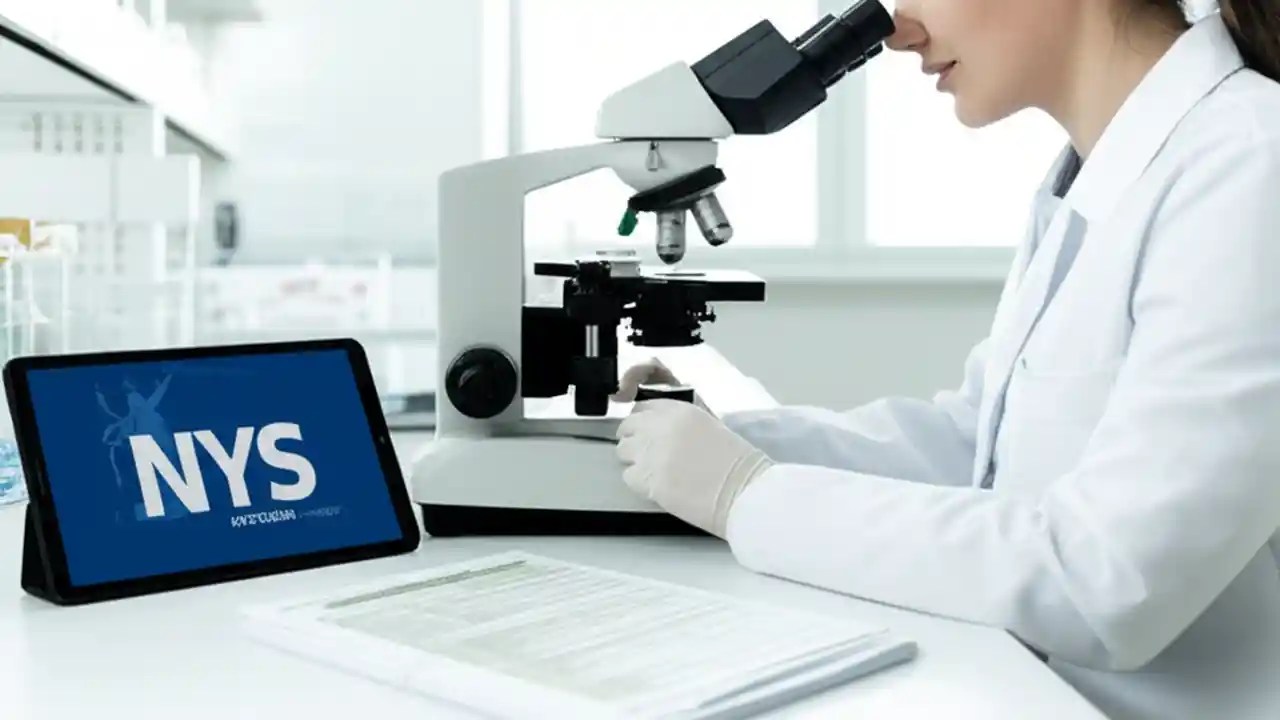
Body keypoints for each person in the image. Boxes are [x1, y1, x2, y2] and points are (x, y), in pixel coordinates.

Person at [613, 2, 1280, 718]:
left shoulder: (1250, 160)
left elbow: (1105, 581)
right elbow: (978, 447)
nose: (899, 30)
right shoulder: (1101, 170)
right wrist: (738, 442)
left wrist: (748, 495)